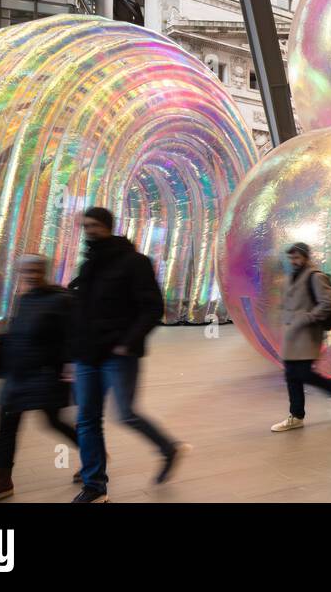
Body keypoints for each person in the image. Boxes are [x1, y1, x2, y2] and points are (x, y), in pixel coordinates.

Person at [69, 207, 188, 503]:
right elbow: (80, 312)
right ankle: (95, 486)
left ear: (108, 226)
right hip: (87, 354)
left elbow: (152, 308)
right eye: (86, 226)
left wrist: (128, 342)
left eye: (94, 225)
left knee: (126, 414)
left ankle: (168, 448)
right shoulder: (89, 264)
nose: (89, 231)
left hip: (118, 354)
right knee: (86, 419)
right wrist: (70, 353)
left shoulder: (135, 262)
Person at [0, 255, 78, 502]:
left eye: (34, 269)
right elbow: (19, 332)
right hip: (17, 374)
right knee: (6, 428)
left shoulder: (61, 300)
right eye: (25, 270)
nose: (29, 274)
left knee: (53, 422)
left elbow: (73, 336)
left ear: (43, 270)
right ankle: (2, 481)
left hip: (45, 374)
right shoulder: (25, 299)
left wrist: (69, 365)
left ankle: (95, 456)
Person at [271, 243, 331, 431]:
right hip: (293, 334)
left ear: (306, 257)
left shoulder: (315, 276)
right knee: (291, 375)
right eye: (291, 258)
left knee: (303, 373)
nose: (294, 261)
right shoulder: (292, 276)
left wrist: (308, 317)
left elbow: (327, 303)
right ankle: (296, 416)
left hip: (307, 333)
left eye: (297, 257)